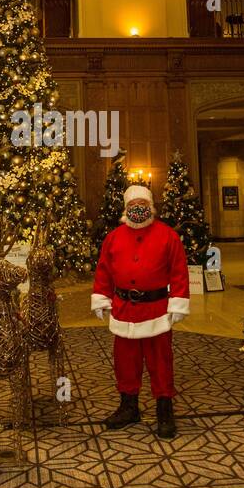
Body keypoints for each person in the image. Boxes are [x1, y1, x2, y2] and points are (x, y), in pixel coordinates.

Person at [91, 184, 190, 439]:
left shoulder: (168, 236)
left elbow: (179, 271)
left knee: (161, 362)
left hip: (157, 310)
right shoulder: (113, 237)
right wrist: (102, 298)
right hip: (124, 310)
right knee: (125, 362)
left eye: (142, 205)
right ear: (126, 209)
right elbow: (103, 269)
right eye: (132, 205)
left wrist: (178, 301)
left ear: (151, 207)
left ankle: (164, 410)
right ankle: (129, 406)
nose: (138, 209)